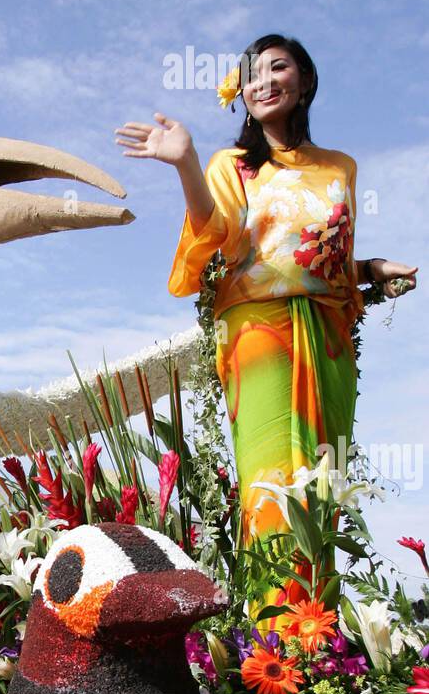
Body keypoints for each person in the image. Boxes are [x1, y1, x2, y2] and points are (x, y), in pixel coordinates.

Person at [115, 33, 417, 586]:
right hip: (257, 334)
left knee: (324, 487)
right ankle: (271, 640)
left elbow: (321, 265)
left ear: (303, 79)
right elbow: (220, 237)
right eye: (252, 73)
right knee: (270, 483)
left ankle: (321, 643)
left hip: (326, 342)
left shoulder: (340, 168)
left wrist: (370, 270)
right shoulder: (232, 166)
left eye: (278, 67)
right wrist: (185, 164)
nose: (264, 80)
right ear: (242, 94)